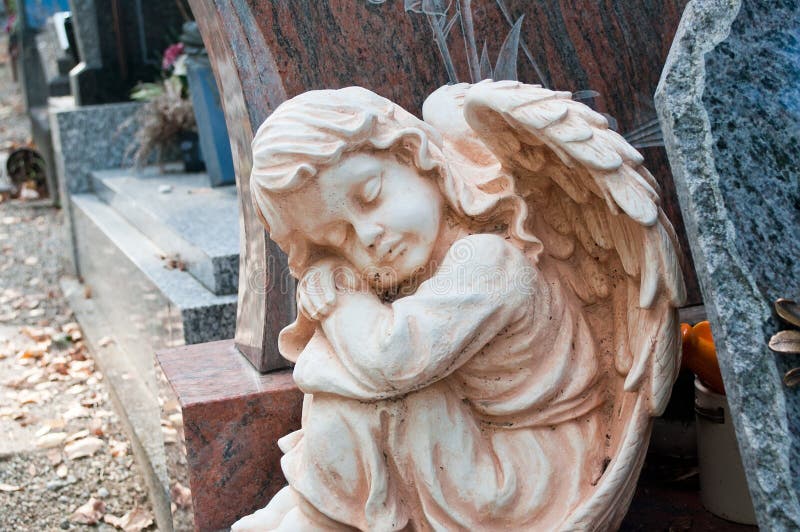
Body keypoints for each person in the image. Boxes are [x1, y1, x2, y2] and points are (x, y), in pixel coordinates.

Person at [233, 86, 608, 531]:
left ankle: (322, 517)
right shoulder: (416, 268)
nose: (367, 236)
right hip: (470, 448)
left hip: (524, 474)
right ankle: (314, 504)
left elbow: (390, 359)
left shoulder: (489, 260)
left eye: (370, 195)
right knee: (356, 374)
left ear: (415, 154)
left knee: (383, 392)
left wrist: (340, 298)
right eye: (337, 239)